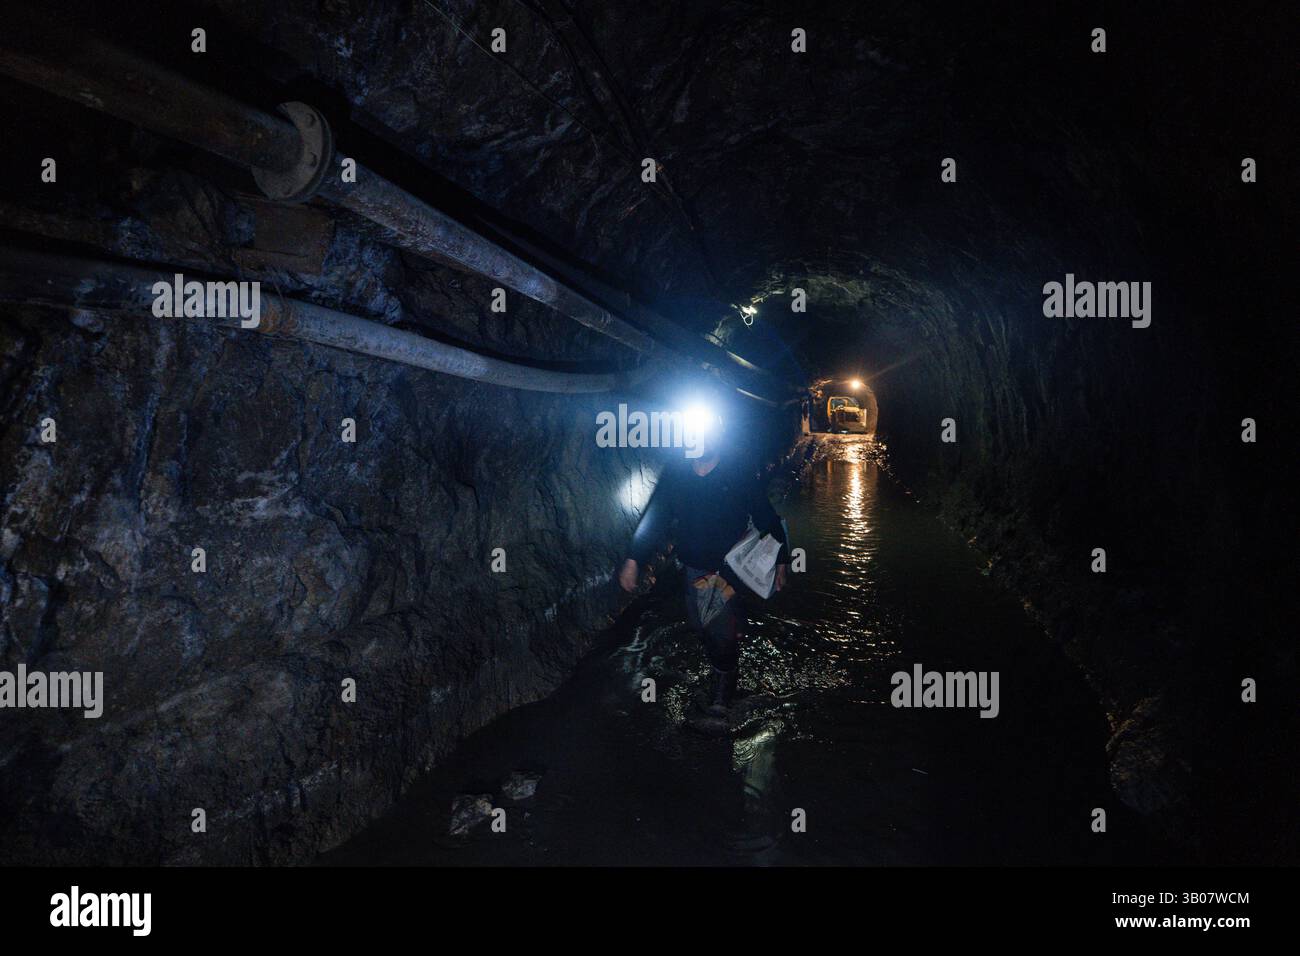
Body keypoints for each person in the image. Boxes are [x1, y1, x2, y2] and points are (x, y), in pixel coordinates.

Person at [617, 410, 789, 717]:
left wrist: (782, 558)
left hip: (728, 568)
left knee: (719, 629)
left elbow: (767, 517)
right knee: (701, 624)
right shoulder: (678, 474)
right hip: (693, 565)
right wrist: (634, 558)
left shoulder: (737, 473)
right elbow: (655, 517)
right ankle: (727, 651)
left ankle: (722, 693)